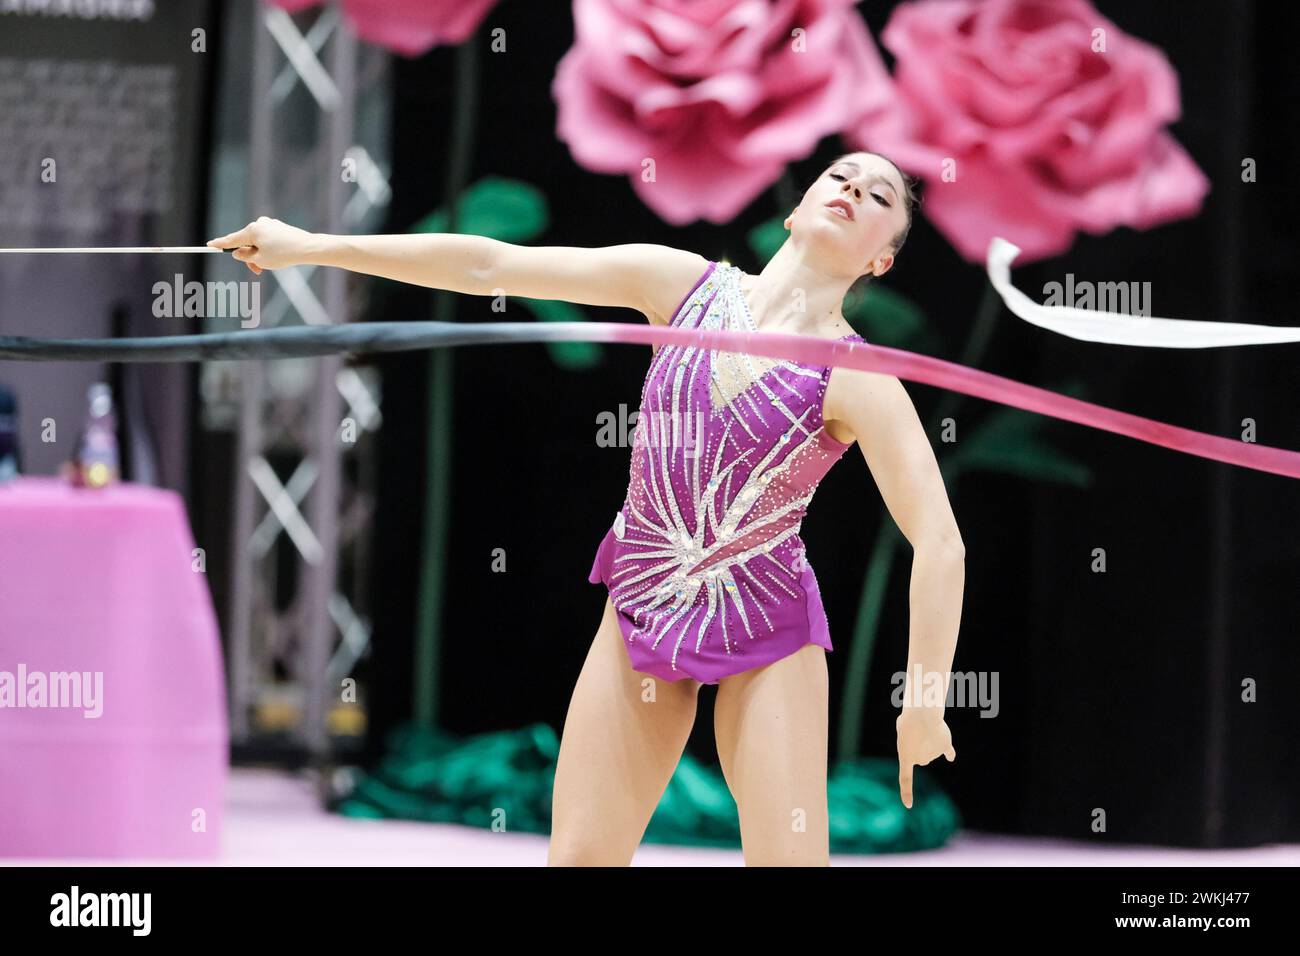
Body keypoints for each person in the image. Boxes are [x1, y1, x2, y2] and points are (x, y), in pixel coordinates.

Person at [208, 150, 964, 867]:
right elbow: (492, 263)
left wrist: (924, 702)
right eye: (842, 176)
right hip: (645, 598)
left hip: (766, 622)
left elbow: (939, 542)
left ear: (880, 260)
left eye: (879, 197)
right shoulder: (679, 285)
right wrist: (311, 245)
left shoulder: (860, 376)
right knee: (579, 858)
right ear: (797, 209)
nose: (854, 191)